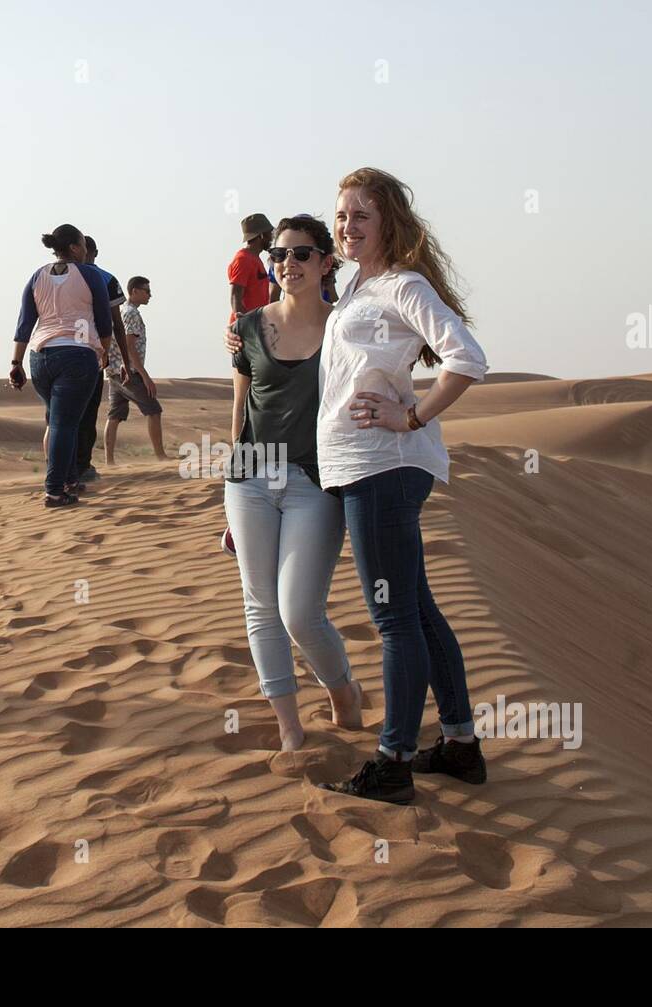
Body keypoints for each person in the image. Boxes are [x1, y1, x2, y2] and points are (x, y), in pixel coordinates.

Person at [225, 168, 489, 805]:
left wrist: (413, 414)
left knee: (393, 618)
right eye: (341, 215)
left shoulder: (401, 285)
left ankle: (392, 760)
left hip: (383, 467)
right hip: (355, 468)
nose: (347, 226)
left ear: (388, 223)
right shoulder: (360, 292)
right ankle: (459, 742)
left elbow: (467, 358)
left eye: (360, 216)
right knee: (418, 610)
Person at [225, 217, 362, 750]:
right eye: (278, 256)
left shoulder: (346, 326)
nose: (288, 265)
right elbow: (240, 408)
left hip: (314, 482)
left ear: (327, 261)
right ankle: (290, 730)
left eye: (302, 254)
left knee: (300, 611)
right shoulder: (249, 326)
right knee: (259, 606)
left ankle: (342, 687)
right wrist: (229, 487)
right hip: (249, 481)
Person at [11, 224, 112, 508]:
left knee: (60, 421)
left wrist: (15, 362)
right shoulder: (90, 274)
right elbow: (104, 319)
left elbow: (24, 324)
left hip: (40, 356)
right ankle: (54, 490)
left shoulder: (36, 276)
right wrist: (104, 351)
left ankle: (68, 482)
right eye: (83, 245)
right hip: (77, 354)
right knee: (65, 424)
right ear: (75, 248)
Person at [69, 235, 128, 484]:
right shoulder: (105, 278)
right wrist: (124, 359)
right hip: (90, 353)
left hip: (54, 350)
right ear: (94, 251)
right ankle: (81, 466)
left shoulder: (54, 277)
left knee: (60, 416)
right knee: (87, 413)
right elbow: (116, 324)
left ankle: (60, 468)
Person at [105, 277, 167, 464]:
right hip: (128, 372)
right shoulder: (131, 313)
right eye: (146, 291)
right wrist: (145, 376)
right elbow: (130, 347)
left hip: (114, 371)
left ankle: (109, 461)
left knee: (115, 415)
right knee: (153, 410)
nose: (150, 294)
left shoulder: (122, 310)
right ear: (134, 291)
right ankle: (160, 456)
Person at [228, 213, 277, 322]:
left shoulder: (254, 258)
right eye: (269, 233)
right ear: (261, 235)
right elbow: (235, 297)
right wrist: (247, 325)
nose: (272, 237)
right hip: (246, 331)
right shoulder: (243, 260)